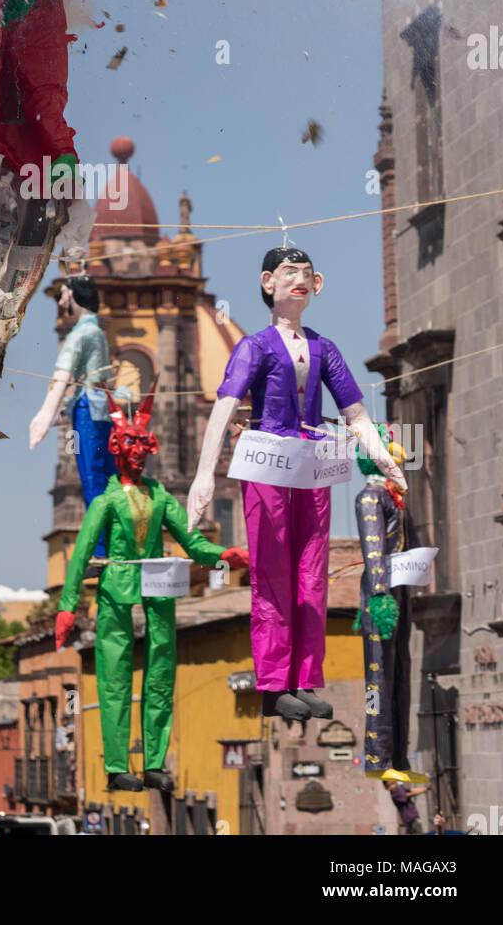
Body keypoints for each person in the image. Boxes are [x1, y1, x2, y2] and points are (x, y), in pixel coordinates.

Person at [186, 246, 405, 723]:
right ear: (268, 283)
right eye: (289, 274)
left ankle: (306, 678)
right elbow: (225, 405)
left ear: (318, 284)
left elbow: (355, 412)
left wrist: (384, 458)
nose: (299, 281)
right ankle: (272, 683)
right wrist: (204, 475)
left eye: (307, 275)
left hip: (313, 461)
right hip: (268, 459)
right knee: (271, 572)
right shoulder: (255, 346)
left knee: (312, 573)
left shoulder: (325, 348)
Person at [56, 383, 248, 792]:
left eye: (144, 442)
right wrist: (67, 606)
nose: (139, 449)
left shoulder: (159, 495)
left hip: (160, 587)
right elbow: (81, 554)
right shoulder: (105, 502)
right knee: (115, 679)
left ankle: (155, 762)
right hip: (116, 589)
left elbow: (191, 542)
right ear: (118, 447)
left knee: (161, 675)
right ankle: (116, 766)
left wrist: (221, 555)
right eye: (132, 443)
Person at [354, 425, 427, 784]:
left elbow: (408, 545)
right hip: (381, 598)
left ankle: (399, 755)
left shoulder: (396, 499)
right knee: (378, 677)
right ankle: (376, 756)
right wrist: (380, 595)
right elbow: (373, 549)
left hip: (400, 593)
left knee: (401, 674)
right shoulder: (371, 498)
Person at [29, 274, 116, 554]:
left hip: (89, 412)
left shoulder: (81, 334)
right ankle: (111, 544)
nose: (62, 299)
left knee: (93, 480)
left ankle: (102, 550)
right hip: (97, 407)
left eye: (65, 293)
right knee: (105, 477)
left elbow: (62, 376)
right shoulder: (97, 332)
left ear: (76, 296)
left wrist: (45, 413)